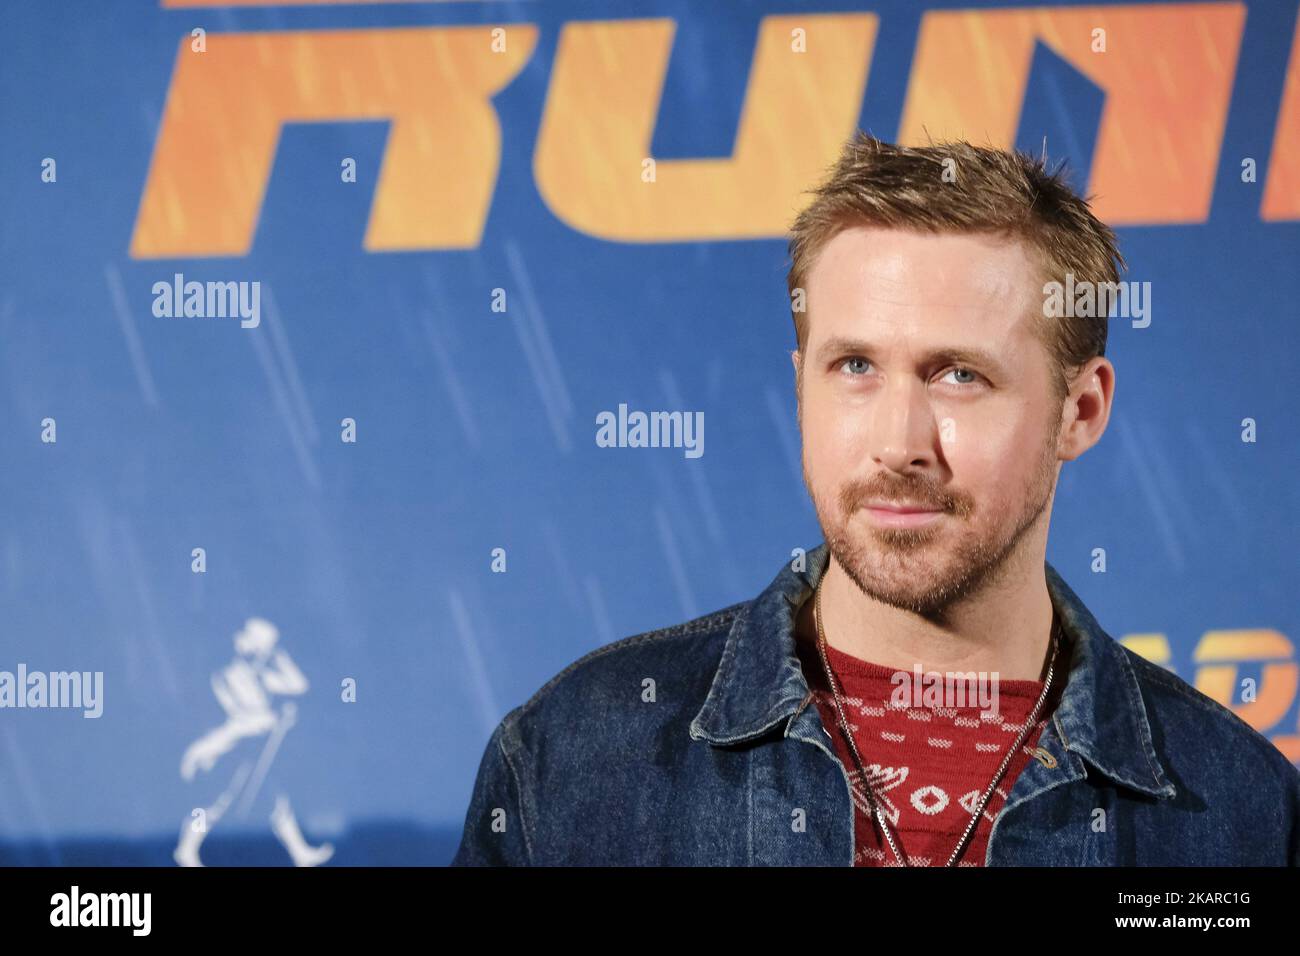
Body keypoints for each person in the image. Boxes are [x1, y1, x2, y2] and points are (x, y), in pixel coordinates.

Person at [450, 132, 1300, 866]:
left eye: (960, 375)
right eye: (854, 367)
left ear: (1080, 410)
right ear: (800, 386)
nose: (899, 443)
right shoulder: (576, 761)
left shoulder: (1240, 815)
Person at [175, 617, 334, 867]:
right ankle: (186, 851)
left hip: (254, 749)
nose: (260, 651)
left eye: (265, 647)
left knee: (275, 800)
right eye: (259, 645)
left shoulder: (260, 675)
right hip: (233, 747)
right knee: (219, 800)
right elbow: (243, 716)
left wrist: (278, 656)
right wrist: (272, 719)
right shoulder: (227, 674)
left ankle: (300, 853)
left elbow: (299, 686)